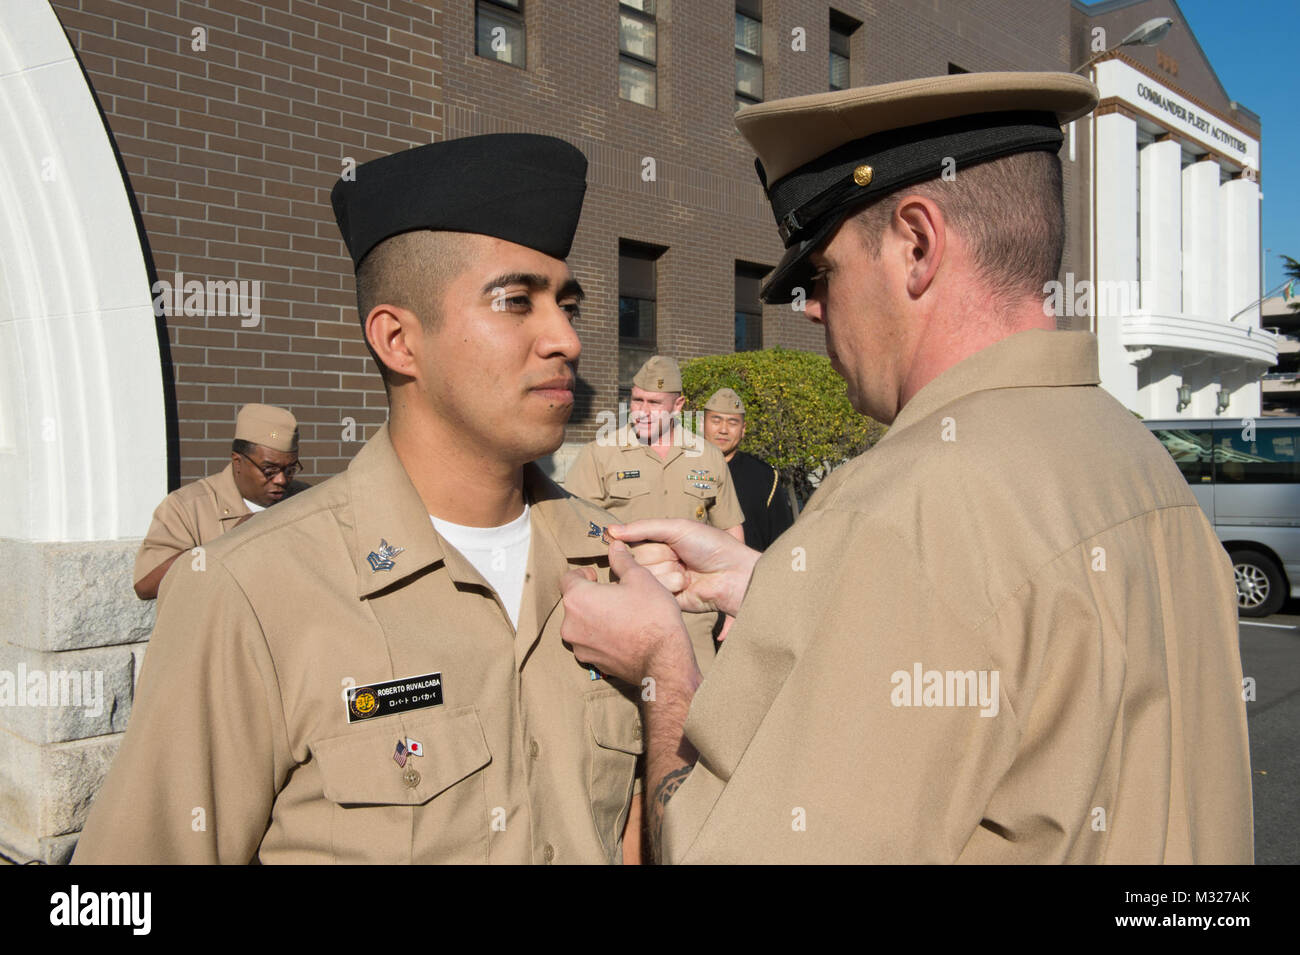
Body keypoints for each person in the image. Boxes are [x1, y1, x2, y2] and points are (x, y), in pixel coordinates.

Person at [559, 72, 1254, 863]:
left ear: (917, 246)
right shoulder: (1142, 464)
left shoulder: (906, 509)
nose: (813, 308)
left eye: (821, 272)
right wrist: (784, 586)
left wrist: (663, 664)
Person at [74, 133, 644, 865]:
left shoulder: (617, 566)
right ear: (398, 340)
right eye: (515, 301)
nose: (565, 337)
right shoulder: (251, 593)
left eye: (567, 305)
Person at [563, 356, 744, 664]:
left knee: (695, 703)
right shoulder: (600, 454)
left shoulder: (708, 457)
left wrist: (735, 604)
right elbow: (571, 526)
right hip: (623, 606)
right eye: (637, 400)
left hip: (692, 612)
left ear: (678, 405)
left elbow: (730, 530)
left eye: (655, 403)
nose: (643, 411)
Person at [132, 403, 307, 600]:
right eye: (269, 470)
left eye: (290, 469)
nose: (281, 480)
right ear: (237, 461)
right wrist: (225, 544)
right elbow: (145, 586)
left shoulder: (305, 499)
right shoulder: (187, 506)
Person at [700, 387, 794, 551]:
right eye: (716, 421)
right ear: (702, 424)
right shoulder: (681, 466)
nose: (723, 430)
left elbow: (782, 539)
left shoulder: (764, 476)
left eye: (732, 423)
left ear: (743, 429)